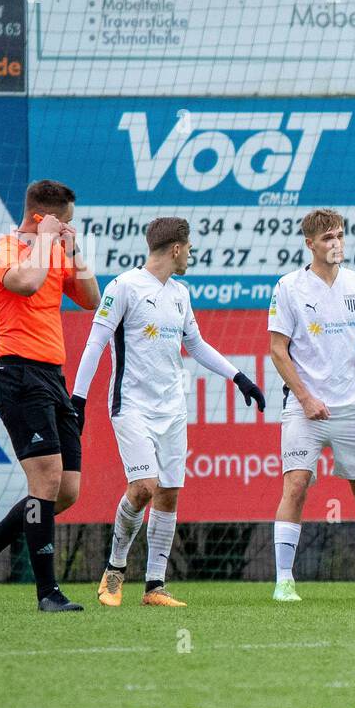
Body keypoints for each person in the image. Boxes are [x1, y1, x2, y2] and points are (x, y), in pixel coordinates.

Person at [70, 217, 265, 608]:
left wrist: (239, 377)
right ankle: (115, 569)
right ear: (176, 248)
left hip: (173, 409)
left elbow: (196, 345)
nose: (190, 254)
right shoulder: (123, 287)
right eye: (189, 248)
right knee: (143, 488)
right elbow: (95, 344)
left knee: (169, 494)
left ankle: (154, 587)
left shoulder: (179, 294)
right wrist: (78, 399)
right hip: (132, 407)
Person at [0, 180, 100, 612]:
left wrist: (72, 249)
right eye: (65, 221)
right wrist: (47, 241)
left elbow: (90, 299)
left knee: (67, 490)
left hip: (53, 378)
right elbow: (25, 284)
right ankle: (48, 594)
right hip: (17, 375)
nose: (69, 228)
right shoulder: (2, 249)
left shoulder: (56, 250)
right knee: (46, 482)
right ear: (43, 217)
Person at [268, 209, 355, 601]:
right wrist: (305, 397)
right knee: (296, 485)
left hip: (353, 409)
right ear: (310, 244)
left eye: (340, 236)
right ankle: (284, 580)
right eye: (328, 238)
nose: (336, 244)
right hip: (306, 409)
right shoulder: (289, 287)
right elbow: (277, 350)